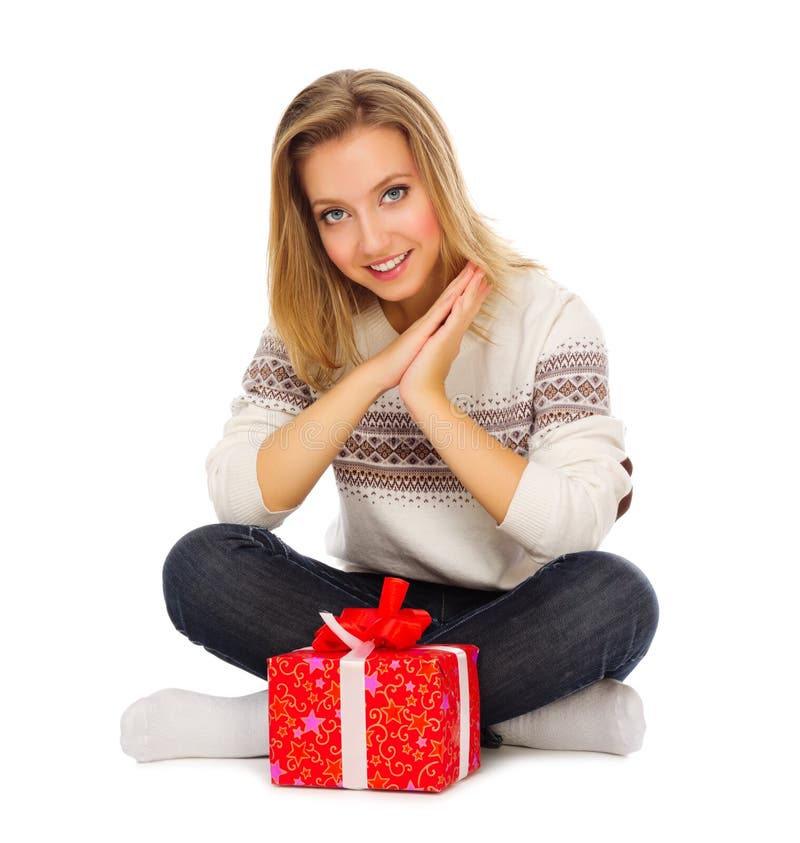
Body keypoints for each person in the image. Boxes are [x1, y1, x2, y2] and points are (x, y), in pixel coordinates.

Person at [120, 68, 659, 764]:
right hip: (365, 613)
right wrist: (374, 375)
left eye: (394, 193)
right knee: (200, 565)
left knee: (616, 595)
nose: (372, 240)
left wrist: (427, 399)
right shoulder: (310, 327)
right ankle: (506, 713)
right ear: (309, 226)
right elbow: (241, 499)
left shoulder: (550, 319)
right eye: (335, 214)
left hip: (510, 613)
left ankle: (288, 720)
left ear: (440, 181)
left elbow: (573, 525)